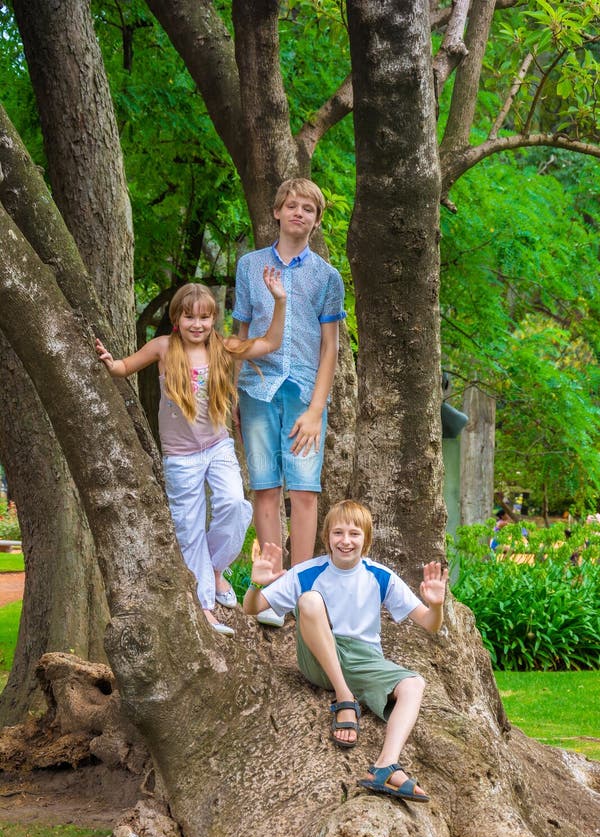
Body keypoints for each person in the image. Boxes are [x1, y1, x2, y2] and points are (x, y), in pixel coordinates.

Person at [96, 271, 286, 636]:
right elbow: (124, 368)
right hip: (181, 457)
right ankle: (205, 606)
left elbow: (271, 342)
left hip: (217, 447)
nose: (196, 324)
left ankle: (215, 569)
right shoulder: (164, 348)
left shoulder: (222, 347)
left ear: (214, 319)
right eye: (189, 316)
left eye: (204, 317)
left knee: (233, 503)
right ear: (176, 319)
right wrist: (109, 361)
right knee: (189, 528)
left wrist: (279, 300)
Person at [242, 499, 448, 802]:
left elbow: (430, 624)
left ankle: (385, 766)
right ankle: (344, 697)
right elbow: (252, 608)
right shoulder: (306, 572)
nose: (346, 541)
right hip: (320, 658)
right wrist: (255, 584)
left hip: (364, 660)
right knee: (309, 601)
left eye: (354, 534)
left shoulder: (380, 576)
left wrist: (437, 605)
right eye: (338, 533)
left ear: (366, 540)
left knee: (414, 684)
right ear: (327, 538)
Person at [233, 178, 345, 627]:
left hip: (303, 394)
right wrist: (231, 394)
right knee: (264, 486)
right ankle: (273, 588)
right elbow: (240, 335)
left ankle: (301, 589)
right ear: (277, 212)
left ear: (316, 222)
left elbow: (330, 348)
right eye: (292, 206)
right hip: (256, 389)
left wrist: (317, 409)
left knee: (302, 489)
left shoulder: (327, 277)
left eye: (308, 210)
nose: (299, 213)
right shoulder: (249, 267)